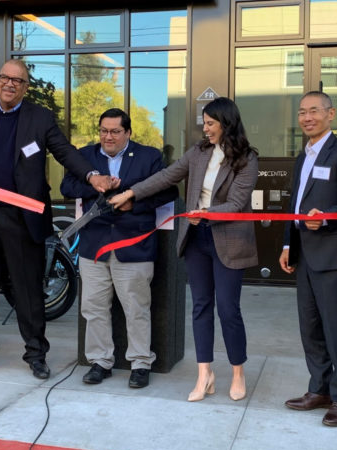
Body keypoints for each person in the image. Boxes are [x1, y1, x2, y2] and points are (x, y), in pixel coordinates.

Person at [0, 59, 117, 381]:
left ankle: (36, 355)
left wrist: (92, 175)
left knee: (28, 290)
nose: (10, 84)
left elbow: (65, 151)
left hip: (23, 218)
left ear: (25, 87)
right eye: (5, 78)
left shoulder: (40, 118)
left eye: (17, 81)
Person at [109, 97, 259, 402]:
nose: (205, 129)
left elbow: (237, 203)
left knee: (229, 310)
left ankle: (238, 372)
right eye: (204, 123)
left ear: (226, 123)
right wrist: (131, 192)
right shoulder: (198, 152)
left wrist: (205, 212)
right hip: (196, 238)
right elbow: (167, 176)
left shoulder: (247, 158)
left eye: (211, 124)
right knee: (201, 306)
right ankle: (205, 374)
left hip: (228, 239)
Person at [60, 108, 177, 389]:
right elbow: (66, 185)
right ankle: (100, 361)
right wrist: (96, 186)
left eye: (114, 131)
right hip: (94, 246)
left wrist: (133, 201)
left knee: (136, 307)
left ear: (128, 133)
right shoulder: (86, 156)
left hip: (133, 246)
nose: (107, 136)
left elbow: (168, 192)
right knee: (93, 307)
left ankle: (140, 363)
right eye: (103, 130)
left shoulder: (149, 157)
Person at [277, 92, 337, 427]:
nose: (307, 118)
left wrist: (329, 215)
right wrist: (288, 244)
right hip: (305, 255)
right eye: (302, 112)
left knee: (336, 330)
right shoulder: (304, 156)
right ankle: (320, 389)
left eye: (314, 111)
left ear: (331, 114)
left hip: (332, 255)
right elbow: (296, 206)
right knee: (311, 328)